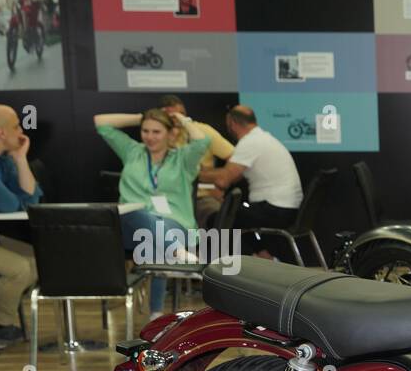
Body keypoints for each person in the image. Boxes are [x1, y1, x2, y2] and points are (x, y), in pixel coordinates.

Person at [95, 109, 209, 319]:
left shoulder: (182, 159)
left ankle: (155, 314)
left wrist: (182, 119)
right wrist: (140, 117)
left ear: (170, 133)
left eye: (156, 131)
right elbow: (101, 122)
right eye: (145, 131)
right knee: (135, 211)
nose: (149, 136)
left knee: (157, 236)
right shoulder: (132, 151)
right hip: (133, 229)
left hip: (176, 224)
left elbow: (203, 142)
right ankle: (177, 255)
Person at [199, 105, 302, 255]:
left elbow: (224, 180)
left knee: (218, 219)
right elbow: (235, 174)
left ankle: (245, 266)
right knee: (235, 216)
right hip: (285, 208)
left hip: (275, 209)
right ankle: (262, 256)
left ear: (232, 123)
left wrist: (195, 174)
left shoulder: (249, 143)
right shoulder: (262, 138)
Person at [0, 103, 41, 348]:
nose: (21, 131)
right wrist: (18, 201)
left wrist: (20, 158)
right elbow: (9, 205)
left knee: (39, 262)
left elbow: (31, 198)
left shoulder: (1, 158)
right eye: (16, 125)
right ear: (0, 133)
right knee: (19, 268)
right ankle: (0, 324)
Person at [158, 95, 235, 226]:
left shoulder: (202, 131)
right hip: (168, 198)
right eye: (172, 116)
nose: (177, 119)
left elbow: (236, 158)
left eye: (181, 114)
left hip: (201, 196)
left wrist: (220, 181)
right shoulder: (156, 135)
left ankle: (213, 246)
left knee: (214, 214)